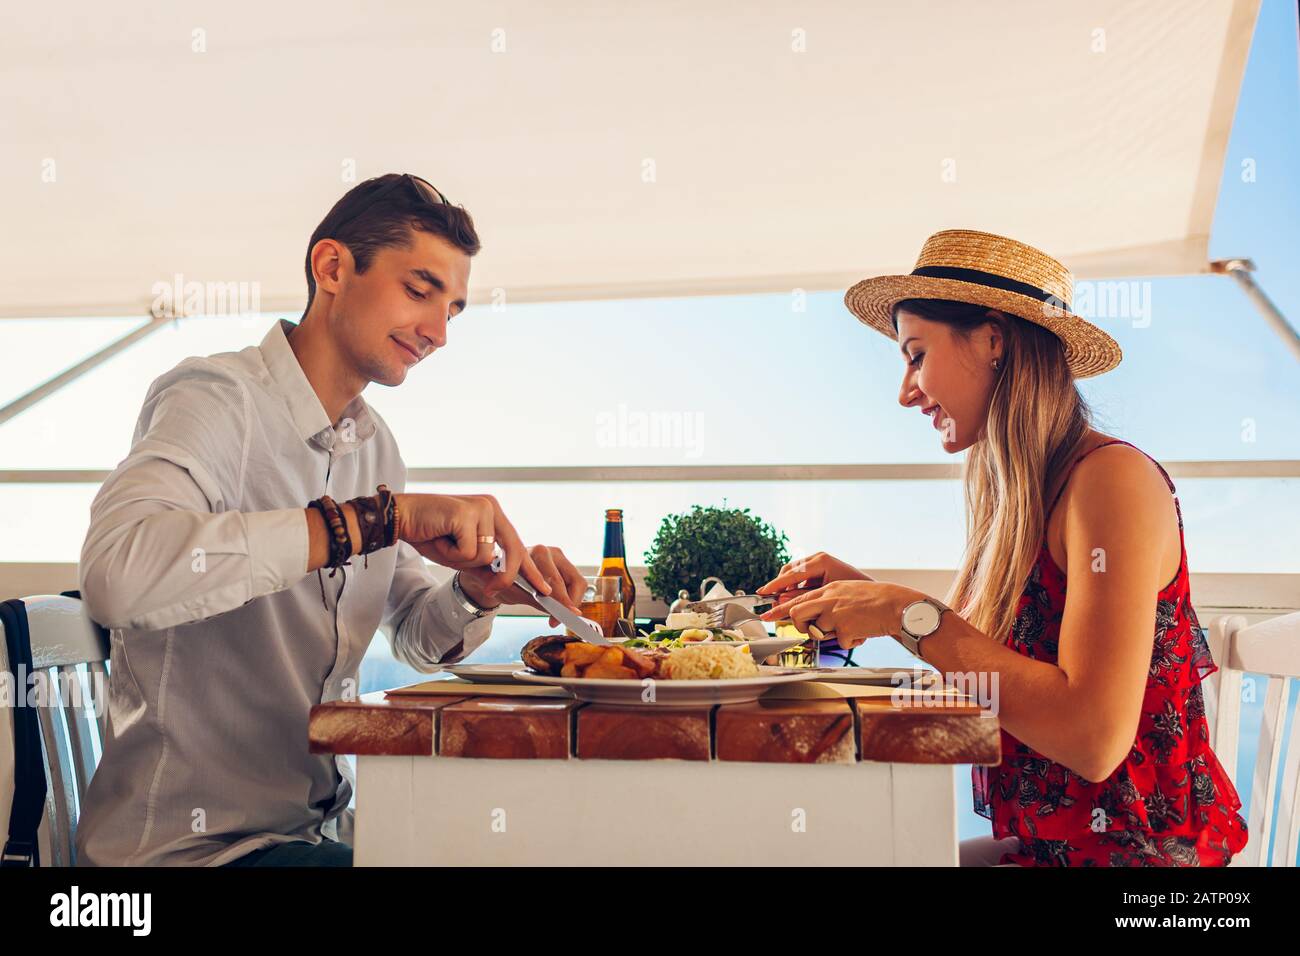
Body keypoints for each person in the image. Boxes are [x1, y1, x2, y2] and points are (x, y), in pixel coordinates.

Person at [74, 173, 587, 866]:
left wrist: (473, 593)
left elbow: (412, 633)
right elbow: (117, 575)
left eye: (453, 310)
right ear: (333, 267)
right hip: (193, 852)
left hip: (316, 835)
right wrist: (369, 522)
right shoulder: (215, 400)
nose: (438, 333)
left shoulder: (373, 447)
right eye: (418, 290)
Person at [758, 229, 1248, 867]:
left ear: (993, 339)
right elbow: (988, 664)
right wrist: (872, 597)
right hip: (1059, 850)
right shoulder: (1027, 495)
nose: (905, 391)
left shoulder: (1112, 481)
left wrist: (903, 611)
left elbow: (1093, 737)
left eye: (915, 354)